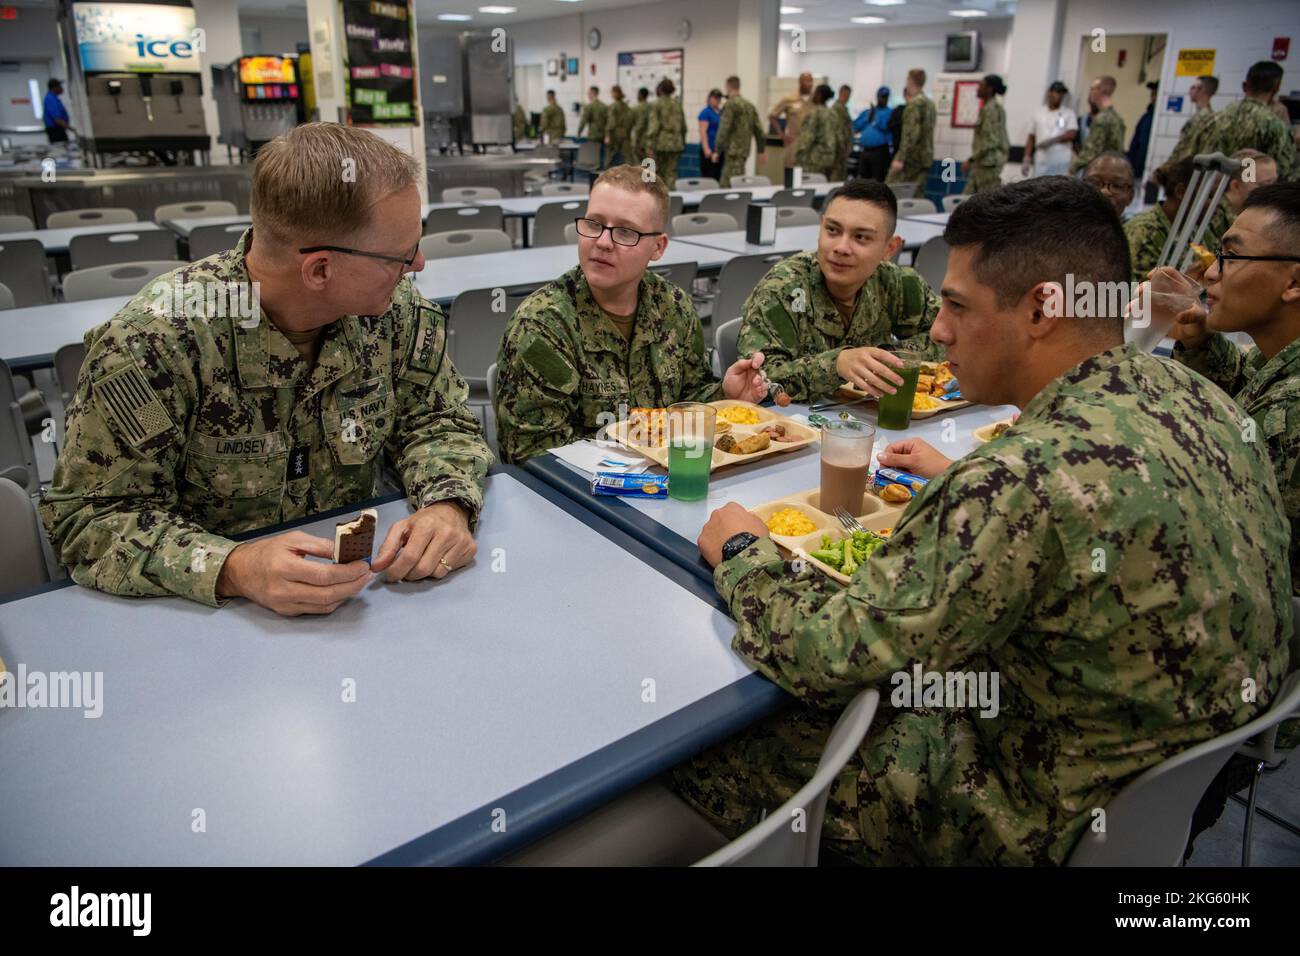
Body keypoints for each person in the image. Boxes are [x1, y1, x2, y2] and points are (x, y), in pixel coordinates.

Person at [676, 176, 1292, 866]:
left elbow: (823, 656)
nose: (936, 333)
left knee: (711, 752)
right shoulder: (1198, 394)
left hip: (1037, 811)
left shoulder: (1020, 478)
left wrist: (743, 550)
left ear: (1040, 310)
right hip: (1181, 790)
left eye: (957, 306)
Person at [40, 123, 493, 615]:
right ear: (319, 270)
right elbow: (89, 518)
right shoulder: (155, 346)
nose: (420, 264)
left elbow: (437, 421)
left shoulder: (392, 311)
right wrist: (234, 567)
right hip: (212, 627)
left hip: (367, 608)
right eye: (401, 256)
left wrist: (447, 504)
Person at [494, 165, 771, 463]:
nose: (602, 242)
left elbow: (685, 405)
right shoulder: (542, 327)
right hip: (584, 498)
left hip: (667, 480)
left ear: (658, 247)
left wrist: (723, 396)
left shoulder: (674, 306)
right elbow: (533, 458)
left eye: (625, 232)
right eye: (594, 223)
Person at [1169, 182, 1300, 592]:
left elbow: (1209, 529)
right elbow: (1244, 381)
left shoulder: (1291, 410)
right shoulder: (1277, 354)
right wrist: (1199, 339)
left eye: (1230, 256)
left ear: (1293, 282)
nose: (1210, 271)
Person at [736, 179, 941, 402]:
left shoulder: (899, 284)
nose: (841, 248)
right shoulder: (783, 288)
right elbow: (759, 380)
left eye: (860, 237)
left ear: (889, 248)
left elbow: (952, 337)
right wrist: (836, 365)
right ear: (820, 229)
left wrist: (886, 356)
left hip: (871, 419)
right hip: (800, 426)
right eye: (832, 230)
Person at [1184, 61, 1297, 181]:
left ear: (1244, 85)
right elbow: (1283, 174)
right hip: (1245, 195)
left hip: (1206, 193)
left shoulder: (1211, 119)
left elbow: (1189, 160)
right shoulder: (1275, 127)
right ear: (1277, 88)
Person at [1124, 157, 1195, 282]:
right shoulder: (1144, 231)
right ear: (1181, 192)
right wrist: (1189, 279)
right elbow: (1140, 291)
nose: (1215, 205)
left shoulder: (1192, 229)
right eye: (1209, 197)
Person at [1204, 149, 1279, 250]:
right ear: (1236, 186)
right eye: (1264, 185)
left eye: (1274, 182)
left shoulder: (1253, 213)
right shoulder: (1211, 217)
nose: (1272, 190)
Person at [886, 69, 937, 196]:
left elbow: (911, 134)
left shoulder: (914, 104)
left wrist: (901, 158)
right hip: (925, 157)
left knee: (889, 192)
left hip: (911, 159)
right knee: (916, 195)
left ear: (910, 81)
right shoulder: (930, 104)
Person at [715, 75, 766, 188]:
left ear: (728, 87)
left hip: (732, 151)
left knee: (727, 185)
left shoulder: (730, 105)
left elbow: (724, 129)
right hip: (744, 151)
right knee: (739, 180)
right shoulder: (750, 106)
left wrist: (717, 150)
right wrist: (761, 150)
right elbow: (759, 130)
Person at [962, 75, 1009, 194]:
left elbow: (990, 141)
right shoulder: (996, 107)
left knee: (983, 204)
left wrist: (971, 160)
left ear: (990, 89)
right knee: (967, 203)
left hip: (987, 165)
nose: (978, 88)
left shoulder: (990, 110)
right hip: (985, 163)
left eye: (981, 85)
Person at [1070, 76, 1126, 174]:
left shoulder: (1101, 119)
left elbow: (1091, 150)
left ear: (1101, 90)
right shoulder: (1117, 119)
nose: (1090, 93)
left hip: (1100, 171)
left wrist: (1072, 170)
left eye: (1092, 89)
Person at [1022, 81, 1077, 178]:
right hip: (1042, 161)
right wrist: (1027, 158)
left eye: (1062, 94)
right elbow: (1031, 137)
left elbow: (1072, 133)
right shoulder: (1038, 112)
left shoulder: (1068, 113)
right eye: (1057, 93)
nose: (1060, 96)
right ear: (1050, 93)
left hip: (1061, 162)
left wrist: (1052, 140)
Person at [644, 78, 687, 190]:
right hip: (676, 143)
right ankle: (673, 198)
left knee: (658, 173)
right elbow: (683, 127)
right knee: (672, 173)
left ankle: (660, 199)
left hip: (660, 143)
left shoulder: (656, 104)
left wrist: (649, 145)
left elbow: (653, 126)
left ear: (661, 89)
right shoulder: (677, 104)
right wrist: (682, 141)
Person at [1168, 75, 1219, 164]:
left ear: (1202, 89)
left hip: (1188, 168)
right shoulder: (1206, 116)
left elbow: (1186, 148)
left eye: (1193, 87)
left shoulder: (1203, 118)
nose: (1189, 91)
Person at [769, 72, 814, 167]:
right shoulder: (789, 99)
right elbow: (772, 117)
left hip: (811, 147)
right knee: (791, 176)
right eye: (807, 81)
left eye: (811, 81)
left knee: (810, 178)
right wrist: (782, 135)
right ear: (800, 82)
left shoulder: (815, 100)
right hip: (794, 145)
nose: (810, 84)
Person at [794, 84, 837, 179]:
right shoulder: (833, 114)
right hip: (829, 159)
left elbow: (807, 138)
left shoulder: (815, 114)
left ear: (819, 95)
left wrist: (798, 157)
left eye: (815, 93)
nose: (812, 95)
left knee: (809, 187)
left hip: (813, 160)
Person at [1081, 151, 1136, 220]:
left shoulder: (1135, 229)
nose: (1104, 192)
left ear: (1130, 197)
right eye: (1094, 183)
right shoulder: (1065, 225)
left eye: (1117, 185)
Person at [853, 86, 893, 182]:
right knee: (862, 181)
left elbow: (887, 127)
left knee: (877, 181)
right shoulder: (868, 112)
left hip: (880, 151)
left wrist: (875, 118)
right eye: (882, 96)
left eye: (885, 97)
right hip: (865, 151)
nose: (883, 99)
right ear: (877, 97)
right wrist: (868, 117)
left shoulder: (890, 112)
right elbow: (855, 126)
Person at [1126, 81, 1159, 182]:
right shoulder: (1147, 117)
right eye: (1152, 93)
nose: (1152, 97)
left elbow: (1143, 146)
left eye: (1155, 93)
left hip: (1143, 172)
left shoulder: (1154, 119)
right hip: (1137, 171)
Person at [697, 88, 724, 183]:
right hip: (709, 150)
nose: (717, 100)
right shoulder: (706, 112)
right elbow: (703, 131)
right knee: (708, 178)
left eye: (719, 98)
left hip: (719, 150)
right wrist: (706, 148)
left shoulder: (720, 113)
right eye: (715, 98)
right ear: (710, 98)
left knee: (717, 176)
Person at [578, 86, 609, 166]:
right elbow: (608, 122)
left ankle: (593, 175)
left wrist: (579, 132)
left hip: (593, 135)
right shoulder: (604, 106)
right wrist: (607, 135)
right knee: (602, 156)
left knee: (593, 158)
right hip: (602, 135)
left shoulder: (589, 107)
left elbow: (583, 121)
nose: (588, 95)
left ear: (592, 94)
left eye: (589, 93)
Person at [830, 84, 854, 182]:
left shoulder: (843, 108)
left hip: (843, 147)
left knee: (841, 174)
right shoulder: (837, 108)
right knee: (837, 175)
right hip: (839, 148)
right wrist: (842, 147)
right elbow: (838, 130)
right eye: (847, 94)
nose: (848, 97)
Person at [605, 84, 632, 167]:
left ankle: (608, 176)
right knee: (627, 157)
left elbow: (611, 122)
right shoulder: (626, 106)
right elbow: (630, 121)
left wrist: (607, 135)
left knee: (609, 157)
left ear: (614, 93)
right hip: (625, 133)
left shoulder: (613, 106)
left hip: (614, 134)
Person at [43, 78, 72, 144]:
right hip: (56, 131)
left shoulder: (54, 98)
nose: (62, 88)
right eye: (60, 86)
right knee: (61, 149)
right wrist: (72, 129)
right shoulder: (50, 99)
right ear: (55, 87)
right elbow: (57, 119)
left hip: (58, 130)